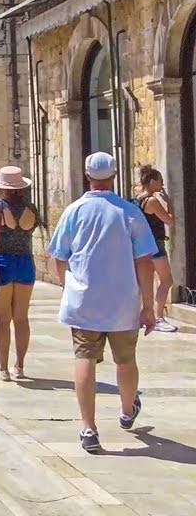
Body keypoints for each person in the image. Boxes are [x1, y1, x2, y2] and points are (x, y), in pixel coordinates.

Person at [48, 153, 156, 454]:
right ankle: (126, 410)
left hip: (84, 301)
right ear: (114, 176)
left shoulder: (73, 211)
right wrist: (148, 306)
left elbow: (60, 257)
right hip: (122, 301)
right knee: (126, 360)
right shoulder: (128, 212)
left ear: (87, 176)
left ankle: (88, 428)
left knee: (84, 358)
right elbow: (145, 261)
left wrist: (68, 287)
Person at [0, 166, 41, 381]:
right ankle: (19, 366)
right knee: (21, 318)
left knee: (2, 319)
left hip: (2, 262)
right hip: (25, 263)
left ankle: (3, 368)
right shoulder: (31, 208)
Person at [136, 165, 178, 333]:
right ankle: (158, 317)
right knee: (166, 280)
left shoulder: (138, 199)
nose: (162, 184)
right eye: (160, 181)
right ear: (152, 181)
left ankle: (144, 314)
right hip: (155, 245)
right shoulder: (152, 201)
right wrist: (169, 203)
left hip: (143, 246)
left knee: (146, 281)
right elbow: (170, 221)